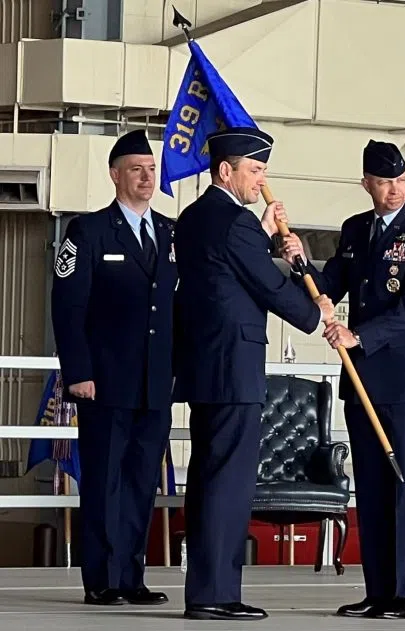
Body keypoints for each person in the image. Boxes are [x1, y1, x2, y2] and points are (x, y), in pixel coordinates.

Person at [172, 126, 336, 621]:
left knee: (207, 478)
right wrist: (319, 312)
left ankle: (205, 588)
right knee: (228, 481)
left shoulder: (194, 218)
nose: (260, 179)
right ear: (227, 170)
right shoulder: (236, 223)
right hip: (234, 365)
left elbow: (230, 268)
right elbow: (266, 286)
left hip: (206, 364)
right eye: (255, 170)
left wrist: (266, 238)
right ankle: (216, 594)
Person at [281, 139, 405, 620]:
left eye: (400, 181)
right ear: (367, 185)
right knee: (372, 486)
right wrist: (297, 260)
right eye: (384, 182)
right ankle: (379, 590)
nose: (394, 190)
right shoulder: (356, 230)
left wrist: (359, 335)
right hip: (361, 378)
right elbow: (328, 284)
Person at [51, 129, 175, 607]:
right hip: (103, 382)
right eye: (136, 169)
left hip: (154, 385)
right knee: (105, 482)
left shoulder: (168, 233)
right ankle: (102, 579)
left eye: (151, 169)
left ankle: (131, 578)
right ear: (115, 175)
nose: (146, 178)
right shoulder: (89, 231)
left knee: (142, 482)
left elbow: (175, 309)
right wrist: (78, 370)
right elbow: (67, 307)